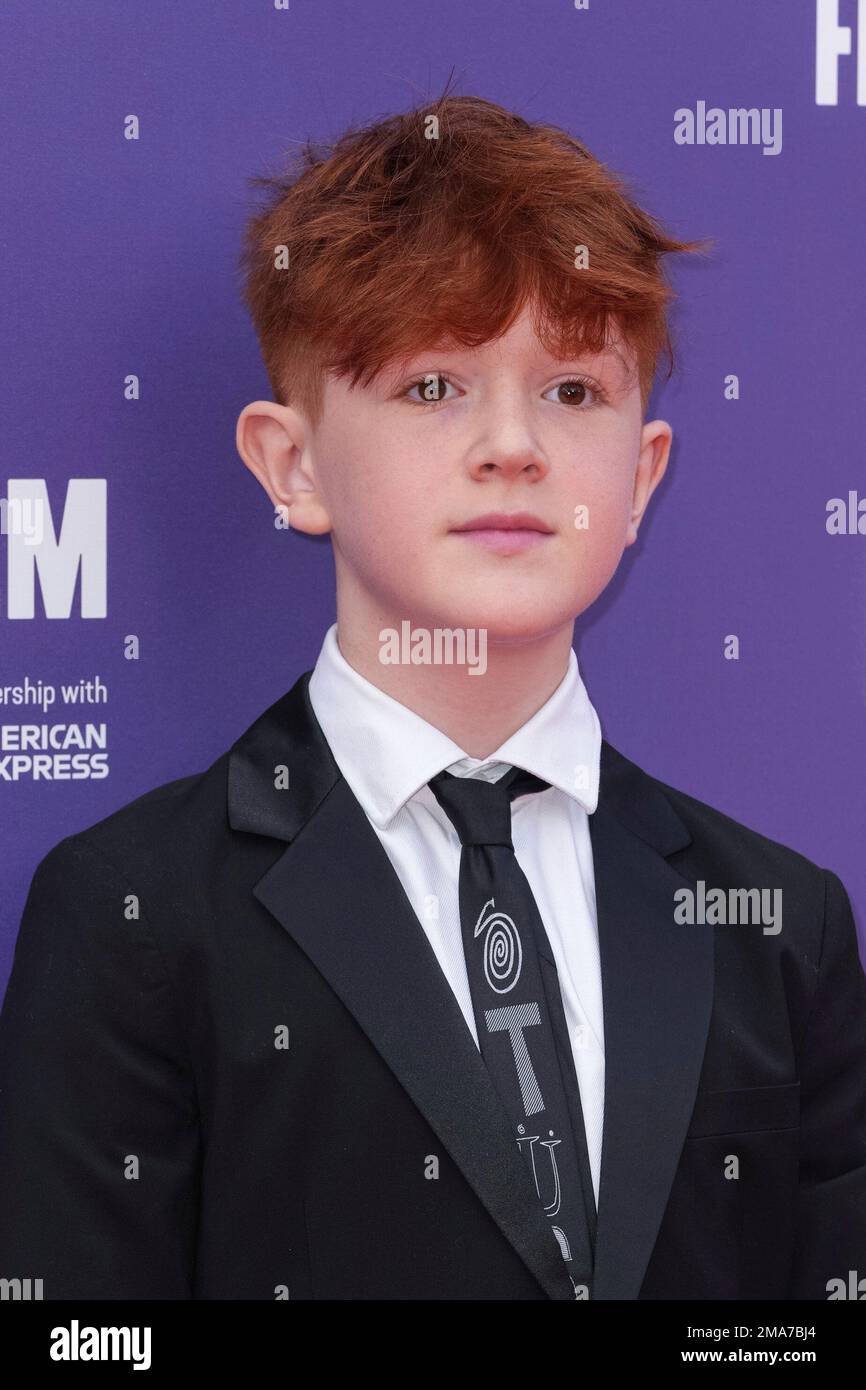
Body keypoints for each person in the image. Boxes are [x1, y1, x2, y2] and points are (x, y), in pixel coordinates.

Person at [1, 91, 864, 1301]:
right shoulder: (133, 914)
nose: (511, 445)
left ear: (639, 475)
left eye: (571, 392)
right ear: (291, 463)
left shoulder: (779, 923)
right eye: (431, 389)